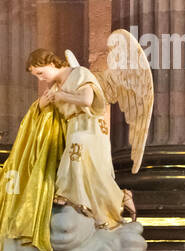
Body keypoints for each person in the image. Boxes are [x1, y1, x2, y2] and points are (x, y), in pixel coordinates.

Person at [27, 49, 124, 230]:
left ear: (50, 63)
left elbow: (87, 100)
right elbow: (45, 112)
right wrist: (43, 103)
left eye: (40, 73)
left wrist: (61, 96)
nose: (40, 79)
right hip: (73, 126)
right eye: (37, 76)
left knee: (76, 158)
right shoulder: (55, 87)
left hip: (89, 126)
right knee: (92, 173)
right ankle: (106, 209)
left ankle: (71, 196)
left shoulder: (79, 73)